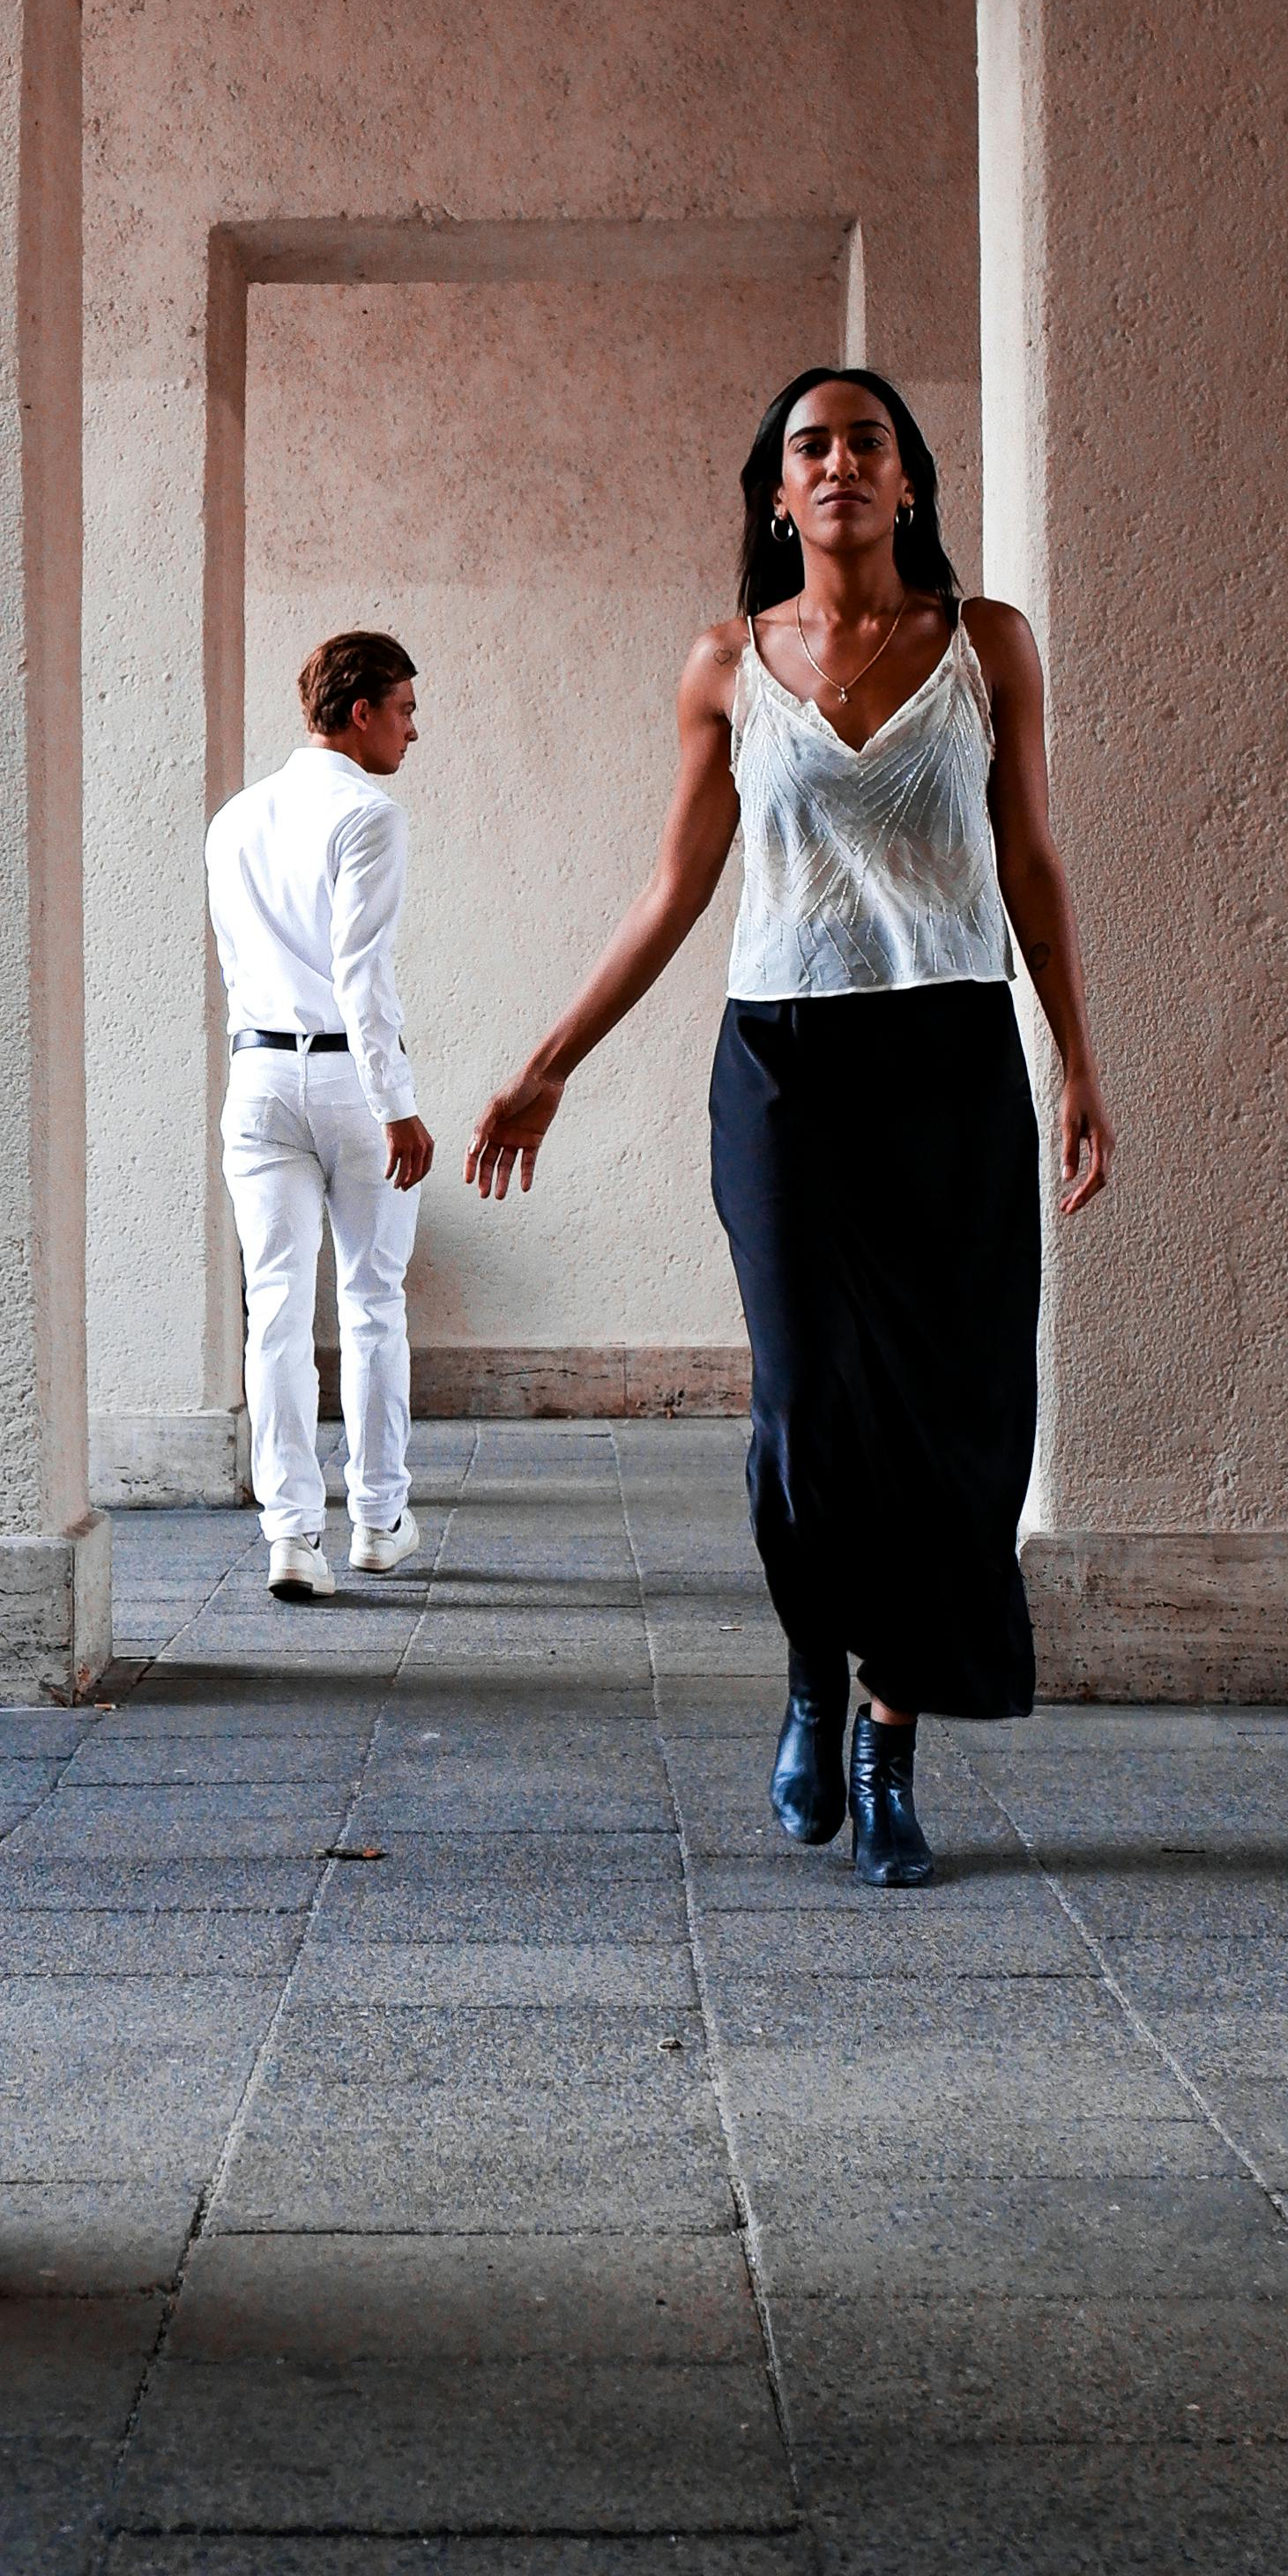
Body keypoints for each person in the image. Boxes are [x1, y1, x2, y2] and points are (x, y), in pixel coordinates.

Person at [465, 367, 1111, 1882]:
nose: (836, 464)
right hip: (784, 1072)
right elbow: (672, 887)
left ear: (906, 483)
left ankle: (885, 1744)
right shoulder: (722, 667)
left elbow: (1028, 855)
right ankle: (812, 1666)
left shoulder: (986, 646)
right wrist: (547, 1060)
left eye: (864, 443)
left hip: (950, 1056)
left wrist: (1075, 1058)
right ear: (775, 491)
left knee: (947, 1423)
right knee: (807, 1418)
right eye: (808, 446)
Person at [207, 630, 437, 1602]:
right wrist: (401, 1108)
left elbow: (235, 963)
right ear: (360, 713)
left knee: (277, 1314)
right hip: (349, 1083)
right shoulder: (369, 816)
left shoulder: (235, 818)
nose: (413, 732)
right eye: (405, 711)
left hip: (257, 1077)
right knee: (374, 1302)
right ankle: (377, 1523)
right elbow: (361, 976)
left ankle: (291, 1538)